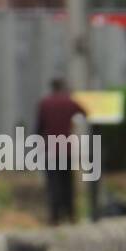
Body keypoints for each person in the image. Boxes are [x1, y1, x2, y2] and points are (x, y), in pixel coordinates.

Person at [37, 78, 86, 225]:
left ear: (52, 87)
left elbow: (39, 127)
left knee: (53, 184)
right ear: (63, 87)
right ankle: (71, 215)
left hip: (50, 149)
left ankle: (54, 217)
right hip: (66, 149)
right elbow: (85, 112)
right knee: (67, 184)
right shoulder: (69, 102)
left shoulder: (44, 103)